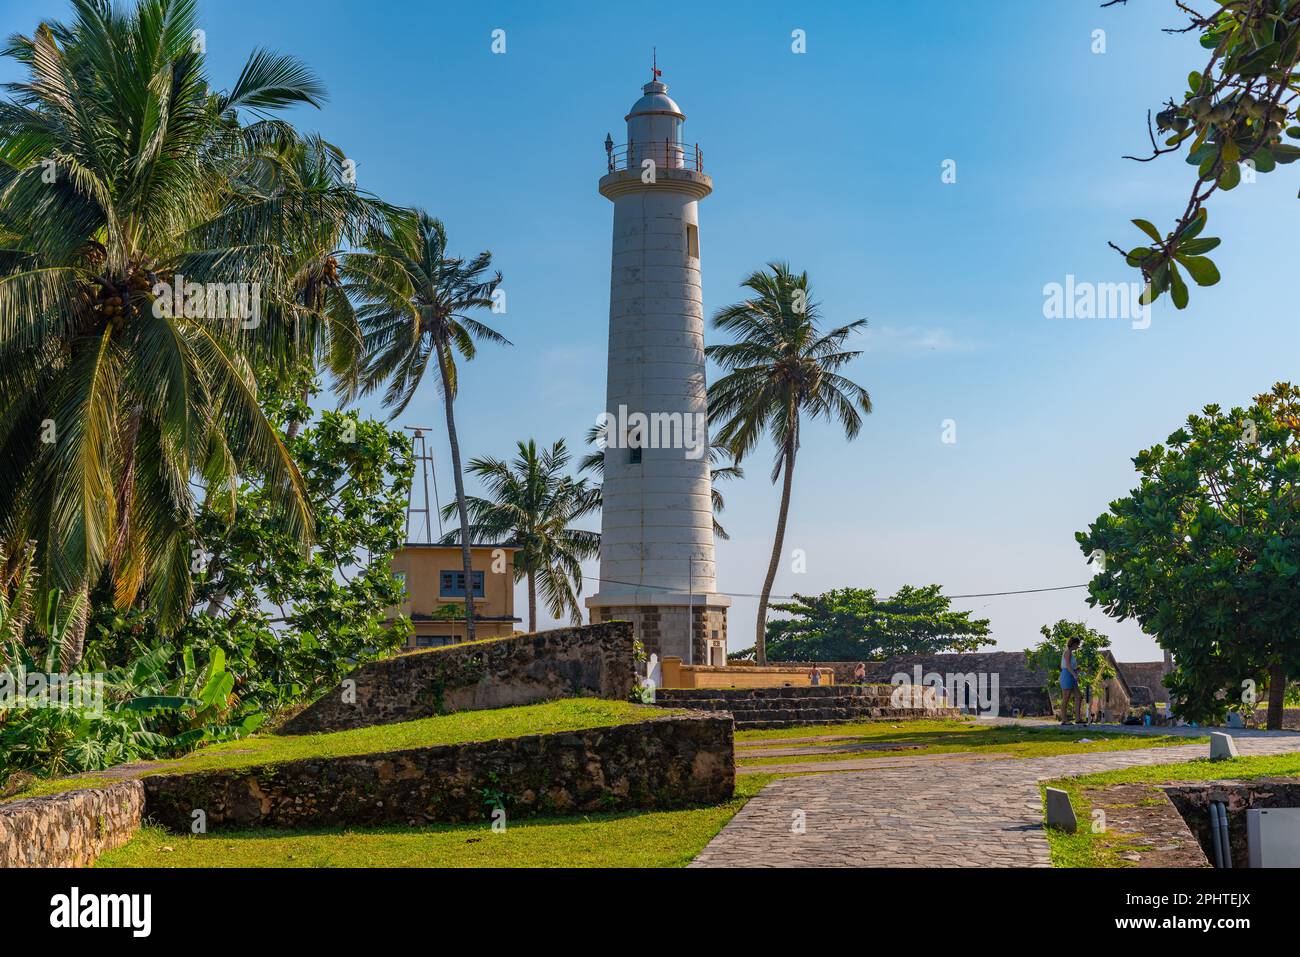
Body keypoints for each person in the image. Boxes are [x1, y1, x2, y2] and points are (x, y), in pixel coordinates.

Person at [1060, 636, 1083, 724]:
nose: (1078, 647)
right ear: (1074, 644)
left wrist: (1077, 669)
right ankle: (1064, 720)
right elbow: (1068, 665)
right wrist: (1074, 674)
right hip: (1067, 675)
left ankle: (1078, 719)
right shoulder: (1067, 652)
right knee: (1066, 698)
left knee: (1079, 696)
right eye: (1078, 645)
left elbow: (1071, 666)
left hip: (1072, 675)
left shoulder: (1072, 653)